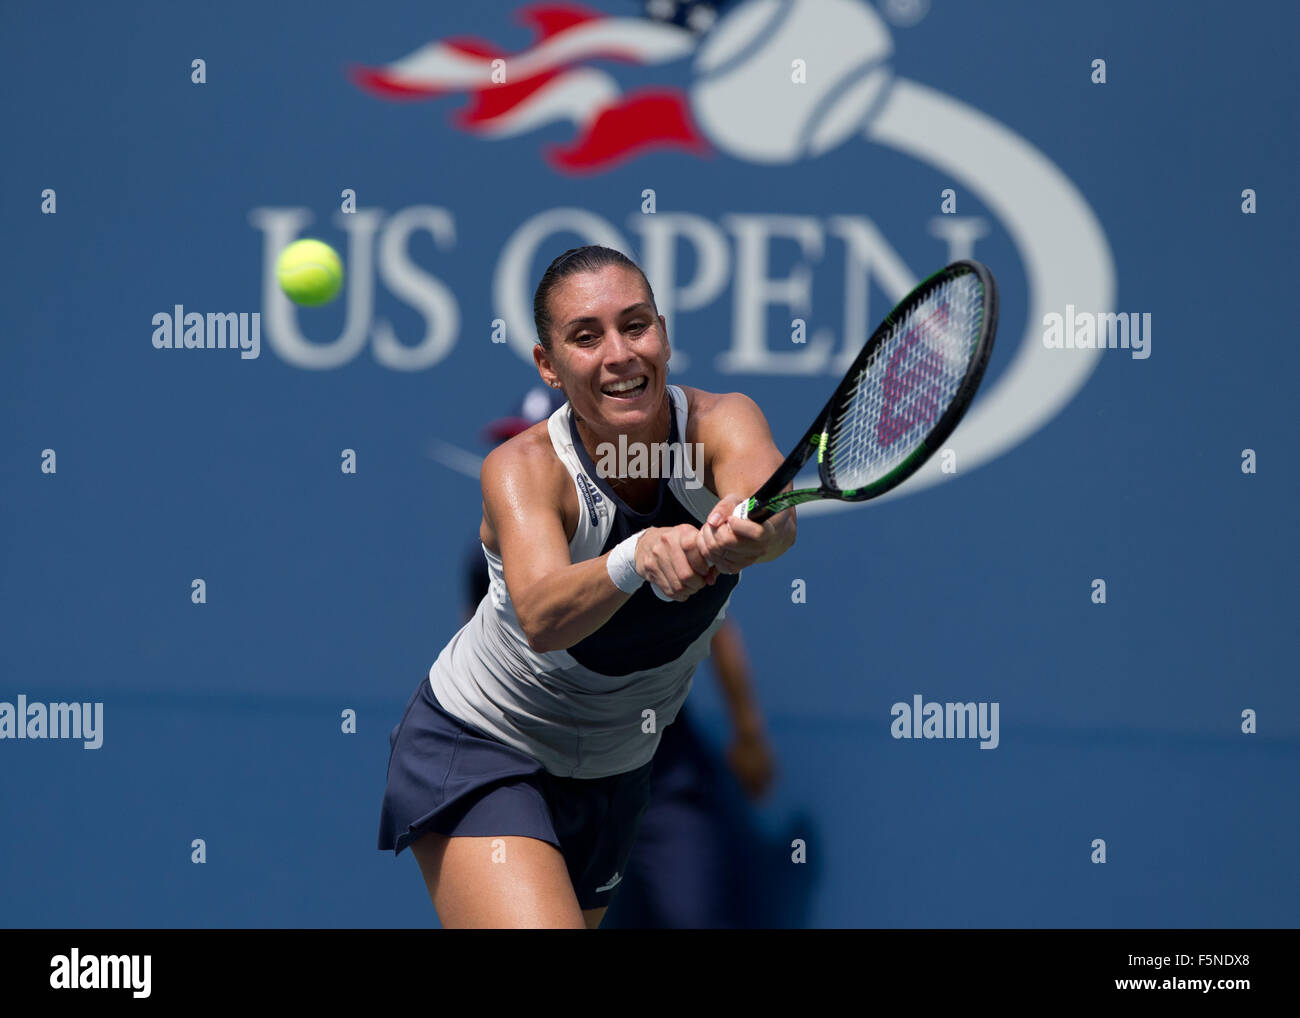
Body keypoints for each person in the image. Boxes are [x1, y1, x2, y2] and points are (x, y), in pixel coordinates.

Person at [378, 244, 797, 929]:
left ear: (663, 331)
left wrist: (754, 530)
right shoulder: (523, 468)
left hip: (615, 770)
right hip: (483, 743)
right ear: (548, 364)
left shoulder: (724, 422)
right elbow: (543, 616)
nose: (620, 353)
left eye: (636, 325)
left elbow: (774, 515)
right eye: (586, 336)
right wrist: (637, 555)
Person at [468, 386, 785, 928]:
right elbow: (514, 645)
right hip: (537, 769)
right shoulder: (494, 558)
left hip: (659, 771)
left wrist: (749, 733)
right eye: (520, 445)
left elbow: (720, 631)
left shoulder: (657, 524)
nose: (536, 467)